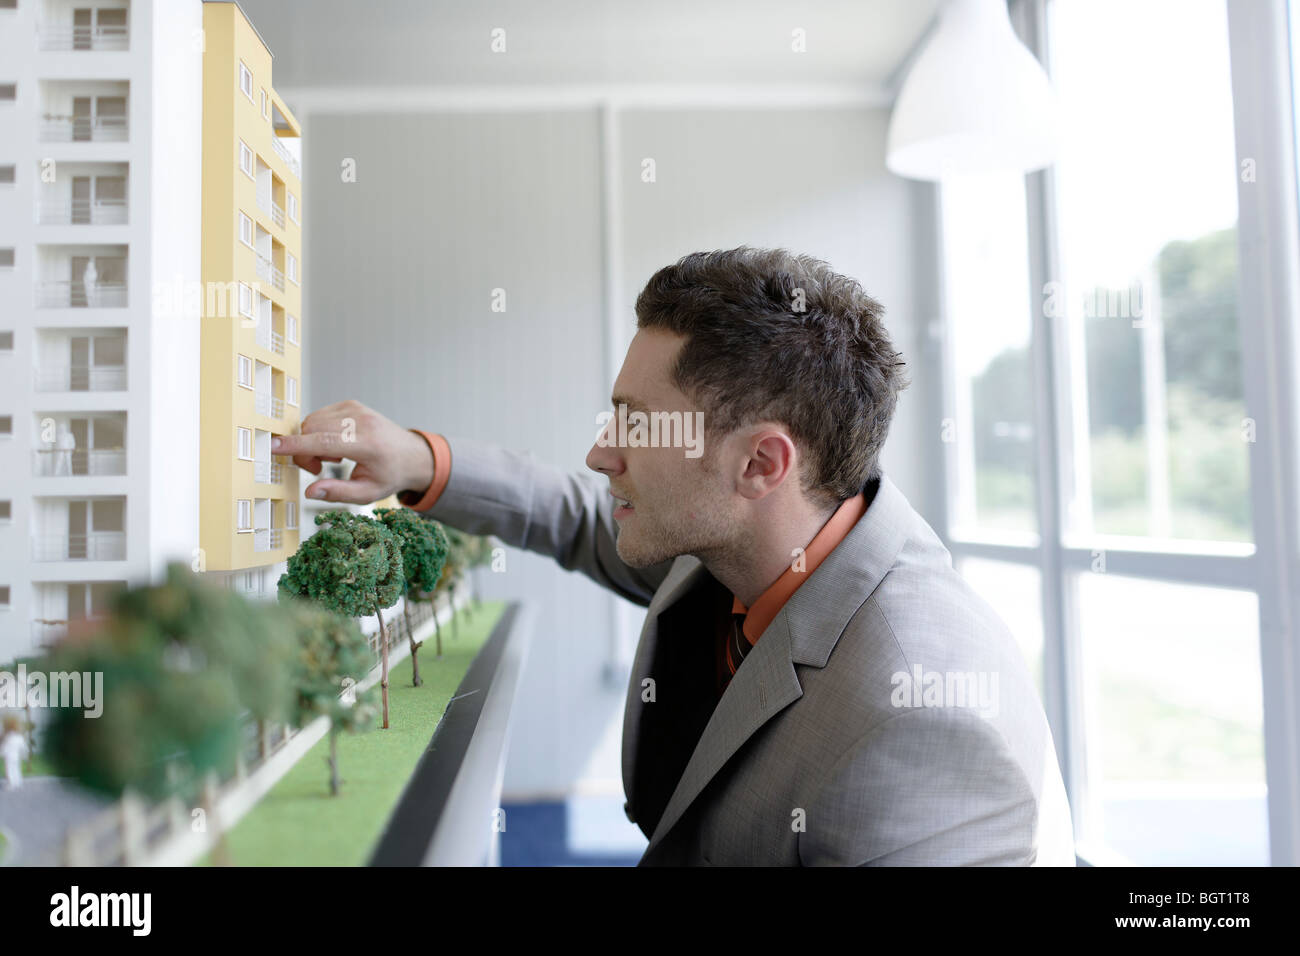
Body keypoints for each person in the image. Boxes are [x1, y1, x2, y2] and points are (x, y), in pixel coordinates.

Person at [274, 246, 1076, 866]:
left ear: (762, 464)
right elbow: (576, 518)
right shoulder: (744, 546)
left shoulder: (921, 714)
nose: (601, 453)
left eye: (635, 422)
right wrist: (418, 459)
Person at [1, 716, 28, 790]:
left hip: (9, 756)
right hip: (16, 756)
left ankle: (12, 784)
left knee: (10, 769)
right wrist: (24, 756)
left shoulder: (8, 737)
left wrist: (2, 753)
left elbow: (4, 747)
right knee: (17, 769)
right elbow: (24, 747)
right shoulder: (19, 737)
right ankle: (18, 782)